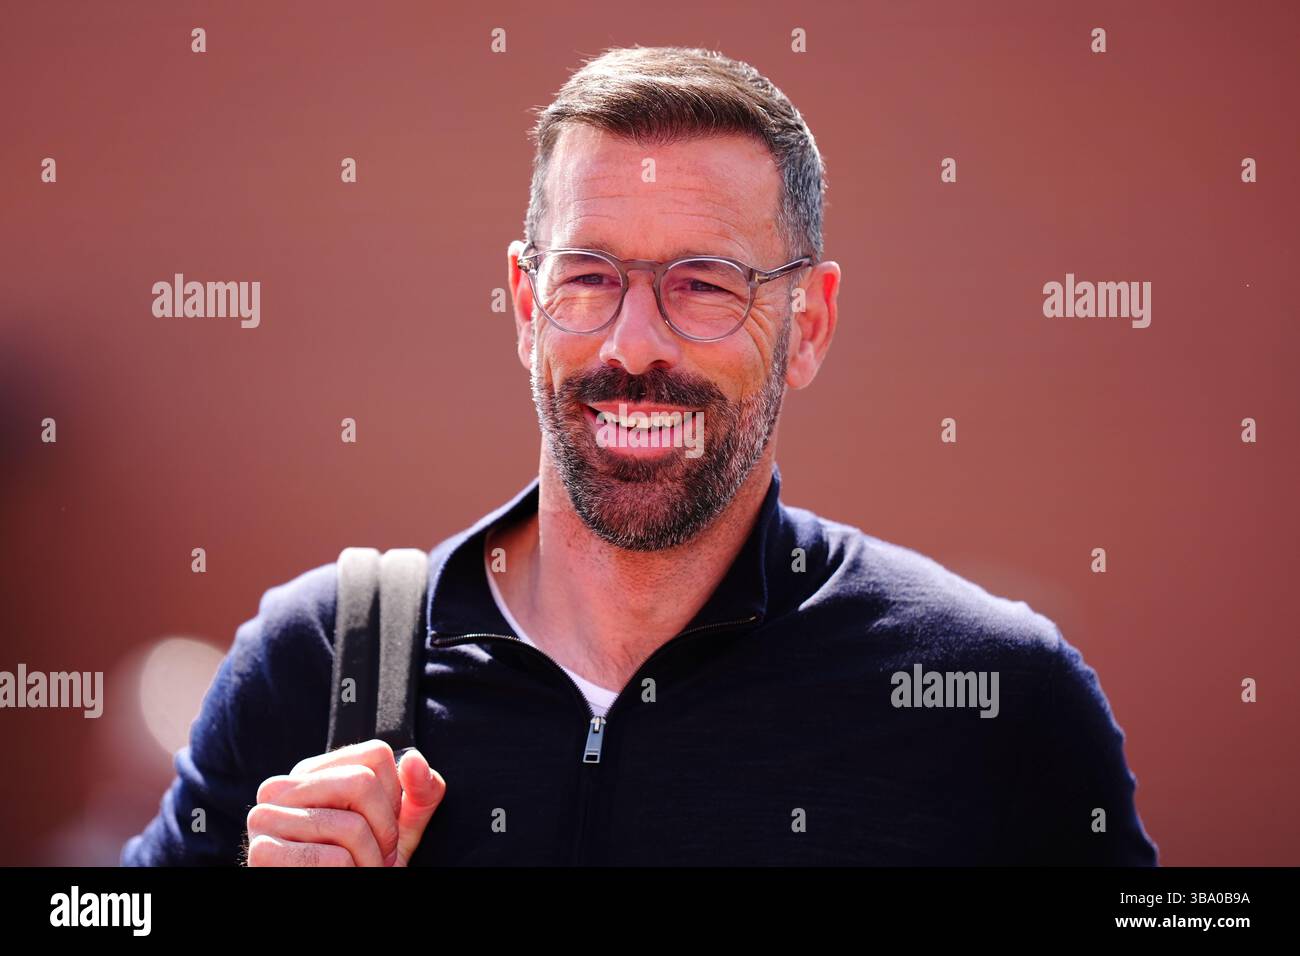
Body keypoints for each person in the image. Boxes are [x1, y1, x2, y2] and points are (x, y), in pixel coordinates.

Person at [122, 45, 1158, 866]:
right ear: (528, 309)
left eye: (703, 284)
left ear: (808, 325)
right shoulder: (321, 665)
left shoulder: (992, 695)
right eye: (590, 278)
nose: (633, 345)